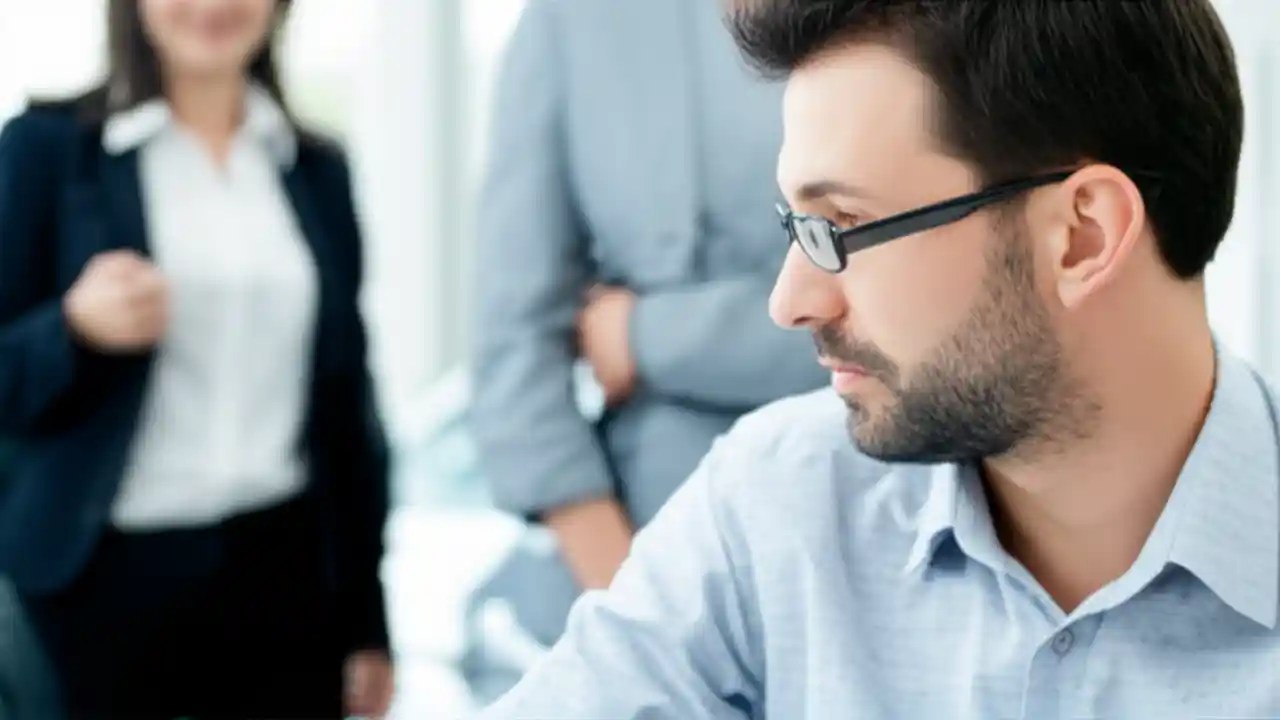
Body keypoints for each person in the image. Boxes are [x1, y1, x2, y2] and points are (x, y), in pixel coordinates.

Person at [478, 0, 1280, 717]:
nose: (791, 302)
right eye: (797, 229)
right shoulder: (775, 506)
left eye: (841, 227)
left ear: (1083, 236)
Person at [0, 0, 393, 717]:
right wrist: (71, 328)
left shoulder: (315, 170)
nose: (212, 4)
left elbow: (346, 407)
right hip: (103, 581)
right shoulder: (46, 150)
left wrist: (368, 621)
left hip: (284, 573)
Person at [470, 0, 824, 615]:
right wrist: (634, 610)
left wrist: (646, 334)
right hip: (636, 550)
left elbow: (932, 294)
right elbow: (514, 348)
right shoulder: (572, 22)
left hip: (885, 510)